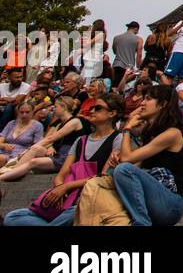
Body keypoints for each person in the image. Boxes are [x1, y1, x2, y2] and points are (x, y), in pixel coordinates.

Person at [3, 92, 123, 227]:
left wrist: (66, 187)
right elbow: (61, 174)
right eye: (92, 108)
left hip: (88, 199)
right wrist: (59, 188)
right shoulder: (80, 140)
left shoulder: (117, 139)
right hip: (67, 198)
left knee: (76, 211)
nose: (92, 111)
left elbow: (103, 177)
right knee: (12, 217)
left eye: (98, 108)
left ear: (112, 113)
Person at [109, 84, 183, 226]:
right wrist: (118, 156)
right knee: (114, 173)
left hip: (172, 203)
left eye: (148, 99)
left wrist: (127, 128)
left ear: (162, 104)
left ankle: (141, 223)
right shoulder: (151, 132)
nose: (142, 103)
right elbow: (130, 162)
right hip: (157, 196)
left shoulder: (172, 133)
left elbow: (127, 160)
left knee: (123, 170)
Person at [0, 101, 44, 170]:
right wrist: (4, 146)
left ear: (32, 112)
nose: (24, 115)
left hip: (20, 154)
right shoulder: (11, 123)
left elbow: (36, 146)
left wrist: (26, 154)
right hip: (4, 150)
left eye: (27, 112)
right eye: (22, 112)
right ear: (18, 112)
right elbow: (0, 141)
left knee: (1, 158)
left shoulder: (37, 126)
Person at [111, 22, 143, 87]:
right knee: (125, 87)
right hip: (128, 67)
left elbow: (115, 51)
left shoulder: (116, 38)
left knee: (115, 86)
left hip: (117, 65)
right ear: (136, 29)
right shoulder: (139, 39)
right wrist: (139, 67)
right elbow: (139, 54)